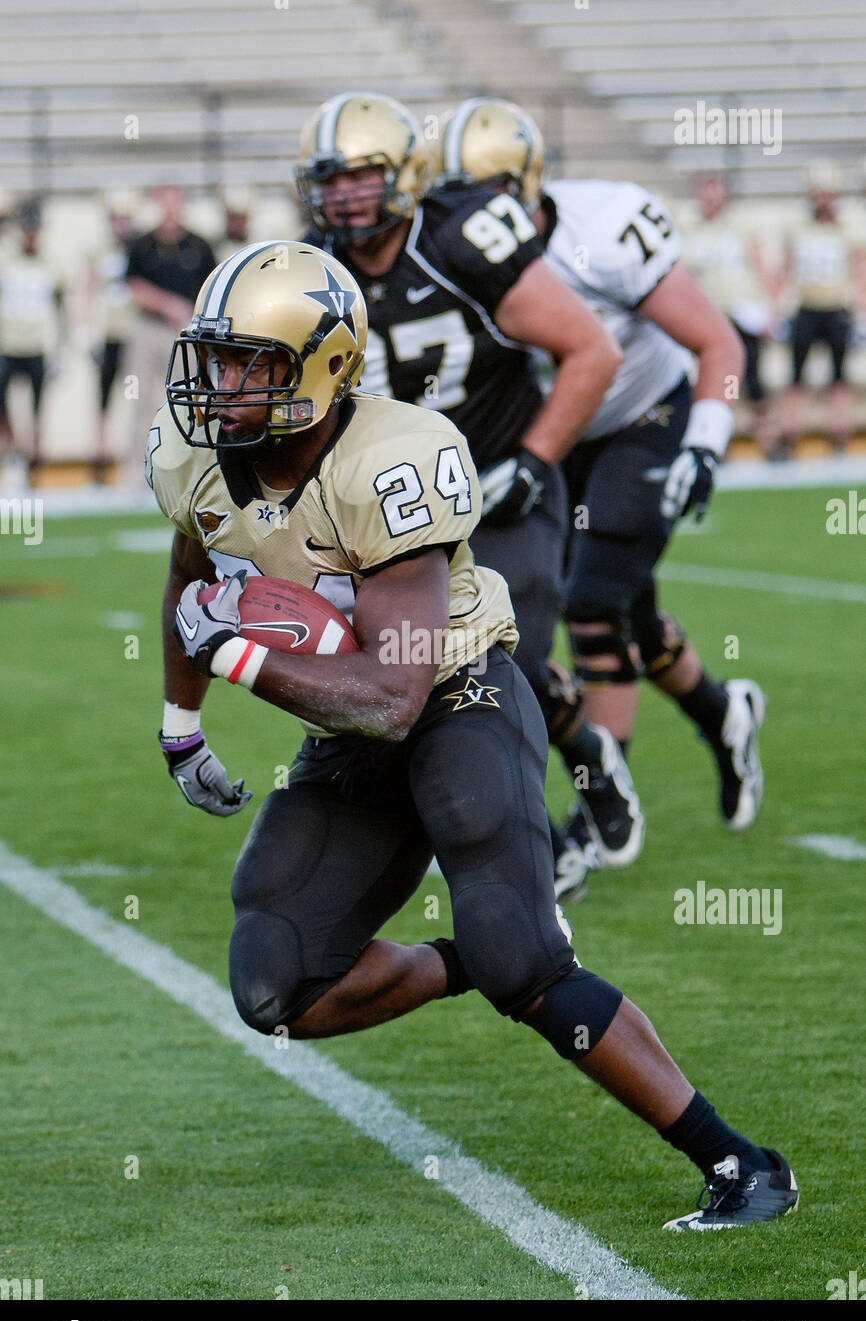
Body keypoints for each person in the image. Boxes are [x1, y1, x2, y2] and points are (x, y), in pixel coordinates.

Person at [149, 238, 798, 1231]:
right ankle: (465, 964)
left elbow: (393, 695)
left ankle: (738, 1163)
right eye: (216, 357)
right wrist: (181, 720)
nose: (221, 384)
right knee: (276, 980)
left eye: (252, 364)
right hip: (349, 721)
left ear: (321, 370)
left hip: (454, 694)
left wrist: (233, 657)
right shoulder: (191, 456)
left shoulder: (393, 456)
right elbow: (188, 576)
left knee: (522, 957)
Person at [296, 92, 640, 898]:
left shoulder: (459, 240)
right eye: (329, 179)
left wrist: (532, 458)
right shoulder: (315, 267)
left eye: (362, 175)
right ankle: (582, 756)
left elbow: (589, 351)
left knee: (485, 668)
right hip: (398, 516)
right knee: (416, 677)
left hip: (499, 486)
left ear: (407, 173)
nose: (343, 194)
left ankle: (537, 846)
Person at [437, 99, 767, 843]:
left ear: (525, 186)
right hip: (556, 440)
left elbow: (719, 342)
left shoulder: (602, 231)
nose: (466, 217)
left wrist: (705, 445)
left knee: (591, 606)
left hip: (645, 418)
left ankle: (595, 809)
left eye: (481, 195)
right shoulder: (450, 262)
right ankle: (724, 714)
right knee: (626, 617)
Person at [124, 185, 216, 488]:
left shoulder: (198, 245)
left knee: (185, 400)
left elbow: (210, 285)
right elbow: (134, 287)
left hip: (184, 331)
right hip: (149, 328)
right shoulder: (142, 244)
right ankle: (137, 472)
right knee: (140, 400)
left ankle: (185, 470)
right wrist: (167, 304)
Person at [680, 175, 777, 457]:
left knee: (753, 380)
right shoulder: (691, 229)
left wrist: (769, 308)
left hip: (742, 314)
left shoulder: (740, 227)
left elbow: (760, 267)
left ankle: (768, 440)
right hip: (708, 317)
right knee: (709, 382)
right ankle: (717, 442)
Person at [779, 167, 865, 456]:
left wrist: (860, 306)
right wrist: (780, 304)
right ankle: (790, 436)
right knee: (796, 375)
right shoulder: (799, 228)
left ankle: (840, 437)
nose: (822, 199)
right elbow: (785, 268)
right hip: (805, 307)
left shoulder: (846, 229)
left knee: (839, 375)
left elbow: (859, 269)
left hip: (837, 308)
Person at [0, 203, 63, 485]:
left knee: (37, 410)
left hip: (37, 346)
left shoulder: (51, 264)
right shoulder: (6, 260)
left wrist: (61, 349)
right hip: (8, 345)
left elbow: (62, 311)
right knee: (4, 407)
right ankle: (11, 452)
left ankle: (33, 467)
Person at [88, 192, 138, 483]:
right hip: (108, 333)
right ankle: (100, 464)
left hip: (132, 334)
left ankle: (135, 462)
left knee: (139, 399)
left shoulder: (140, 249)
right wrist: (88, 332)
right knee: (103, 402)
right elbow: (89, 288)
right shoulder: (99, 250)